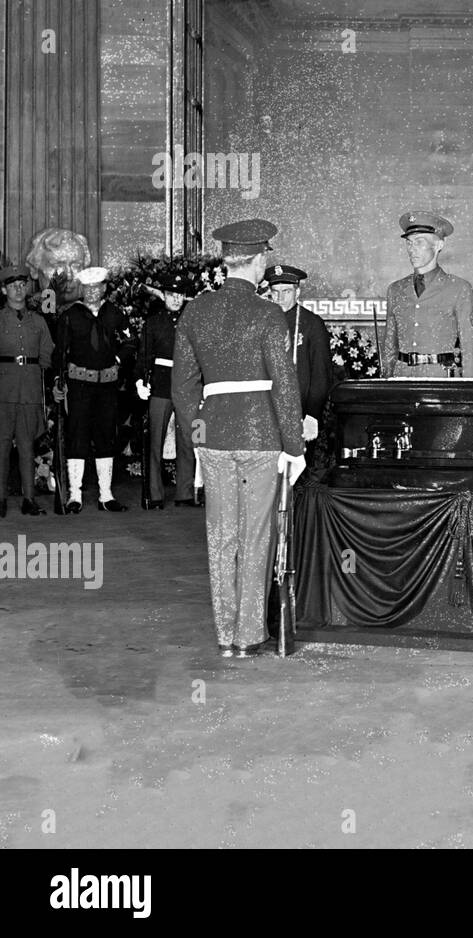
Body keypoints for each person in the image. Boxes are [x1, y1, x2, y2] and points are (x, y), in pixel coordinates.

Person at [172, 219, 306, 659]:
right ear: (257, 260)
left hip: (214, 437)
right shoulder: (268, 313)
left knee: (220, 535)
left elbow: (183, 387)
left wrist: (198, 435)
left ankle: (226, 636)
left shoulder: (196, 310)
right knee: (256, 536)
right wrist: (295, 447)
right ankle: (249, 635)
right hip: (262, 435)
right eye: (266, 256)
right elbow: (285, 386)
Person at [53, 265, 128, 512]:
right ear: (82, 289)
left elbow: (130, 343)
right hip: (79, 387)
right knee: (77, 436)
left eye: (97, 287)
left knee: (106, 436)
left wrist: (118, 361)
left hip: (107, 387)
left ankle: (106, 495)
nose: (93, 292)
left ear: (104, 288)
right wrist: (58, 382)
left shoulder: (115, 313)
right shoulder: (70, 315)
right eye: (88, 288)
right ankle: (75, 496)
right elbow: (59, 353)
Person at [381, 211, 473, 379]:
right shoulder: (395, 290)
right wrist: (385, 385)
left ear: (438, 245)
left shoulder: (459, 288)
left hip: (440, 382)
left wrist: (468, 395)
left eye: (419, 242)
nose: (412, 249)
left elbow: (471, 348)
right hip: (401, 382)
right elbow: (389, 348)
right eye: (409, 243)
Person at [137, 273, 200, 509]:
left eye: (180, 295)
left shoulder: (192, 320)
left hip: (188, 386)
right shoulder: (153, 322)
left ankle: (185, 493)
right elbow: (144, 354)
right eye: (172, 295)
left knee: (190, 439)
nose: (176, 299)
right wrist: (140, 381)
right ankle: (154, 495)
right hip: (161, 385)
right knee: (155, 440)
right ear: (163, 296)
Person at [0, 266, 53, 516]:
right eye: (13, 285)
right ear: (4, 290)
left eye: (22, 284)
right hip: (3, 391)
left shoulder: (39, 321)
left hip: (30, 391)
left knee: (26, 447)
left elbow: (46, 356)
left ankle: (29, 499)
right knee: (0, 447)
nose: (18, 289)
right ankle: (0, 498)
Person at [264, 264, 333, 452]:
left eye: (286, 291)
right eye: (275, 291)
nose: (280, 298)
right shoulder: (261, 322)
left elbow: (321, 373)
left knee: (294, 474)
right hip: (266, 412)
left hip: (299, 414)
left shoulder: (311, 323)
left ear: (297, 292)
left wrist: (312, 414)